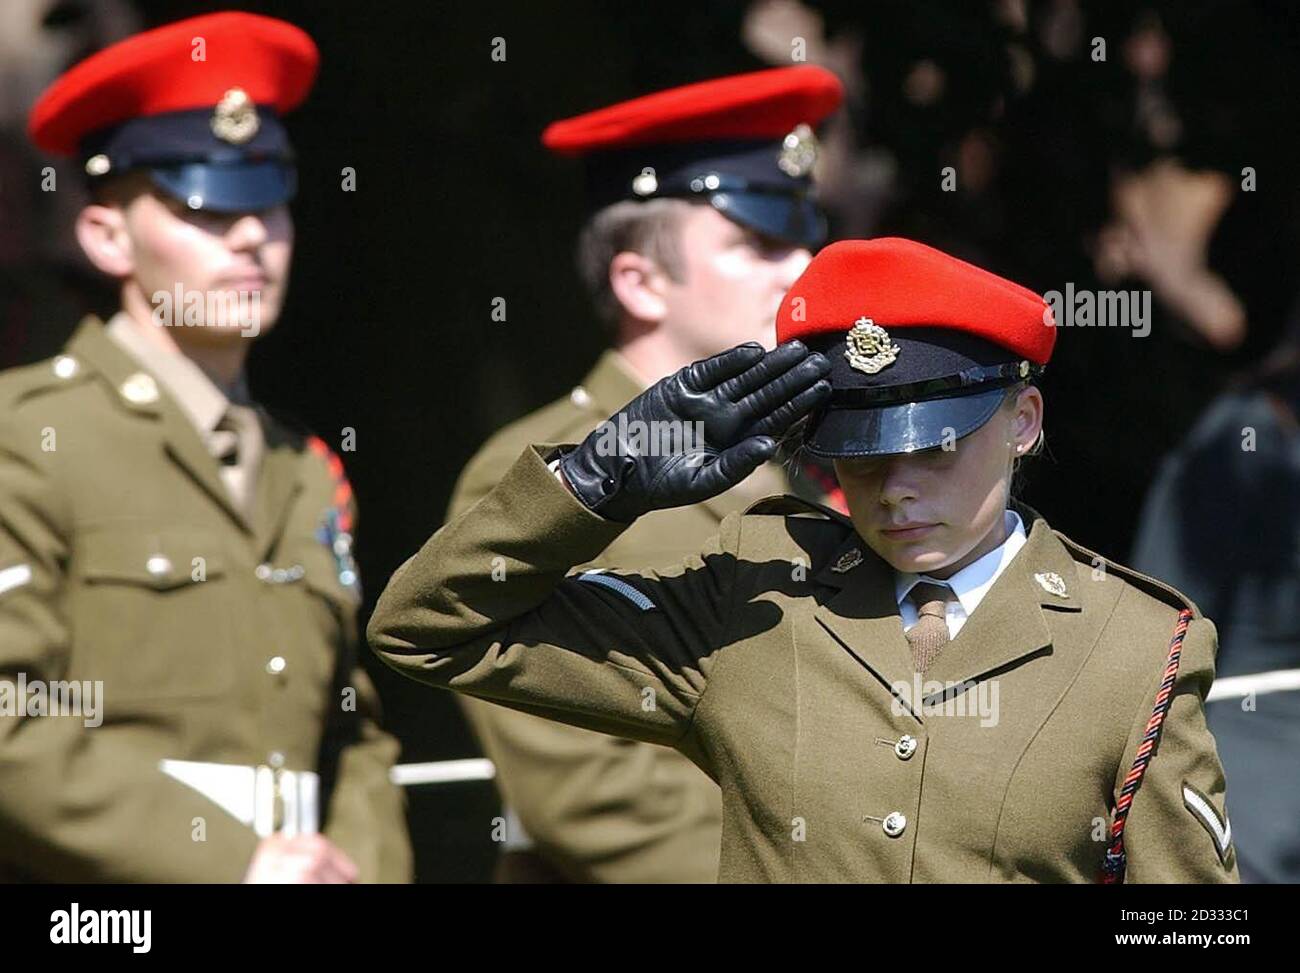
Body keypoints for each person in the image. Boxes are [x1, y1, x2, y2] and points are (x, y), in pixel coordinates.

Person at [370, 237, 1237, 883]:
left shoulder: (1133, 646)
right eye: (860, 456)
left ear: (1022, 421)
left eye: (934, 446)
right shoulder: (756, 593)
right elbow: (427, 630)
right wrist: (600, 479)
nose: (896, 489)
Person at [0, 11, 411, 883]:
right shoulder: (27, 437)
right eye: (201, 205)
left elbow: (351, 733)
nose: (251, 236)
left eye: (268, 200)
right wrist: (235, 864)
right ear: (107, 236)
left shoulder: (302, 468)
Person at [445, 65, 843, 882]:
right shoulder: (536, 468)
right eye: (758, 242)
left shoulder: (796, 472)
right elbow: (583, 785)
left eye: (806, 236)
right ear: (640, 280)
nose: (801, 264)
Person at [1133, 311, 1300, 883]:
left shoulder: (1250, 432)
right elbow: (1169, 620)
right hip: (1258, 776)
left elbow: (1165, 620)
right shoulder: (1249, 435)